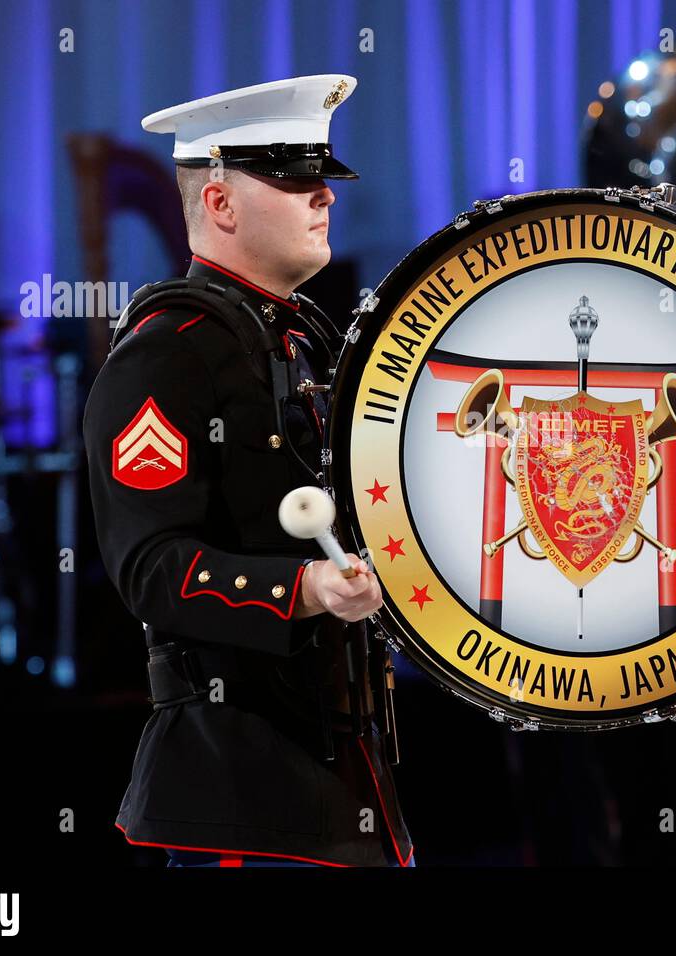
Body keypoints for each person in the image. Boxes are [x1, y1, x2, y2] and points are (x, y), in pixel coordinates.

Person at [82, 75, 414, 867]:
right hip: (239, 795)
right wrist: (302, 588)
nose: (323, 196)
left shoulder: (302, 340)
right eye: (295, 178)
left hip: (338, 769)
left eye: (323, 178)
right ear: (221, 203)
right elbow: (151, 568)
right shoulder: (169, 350)